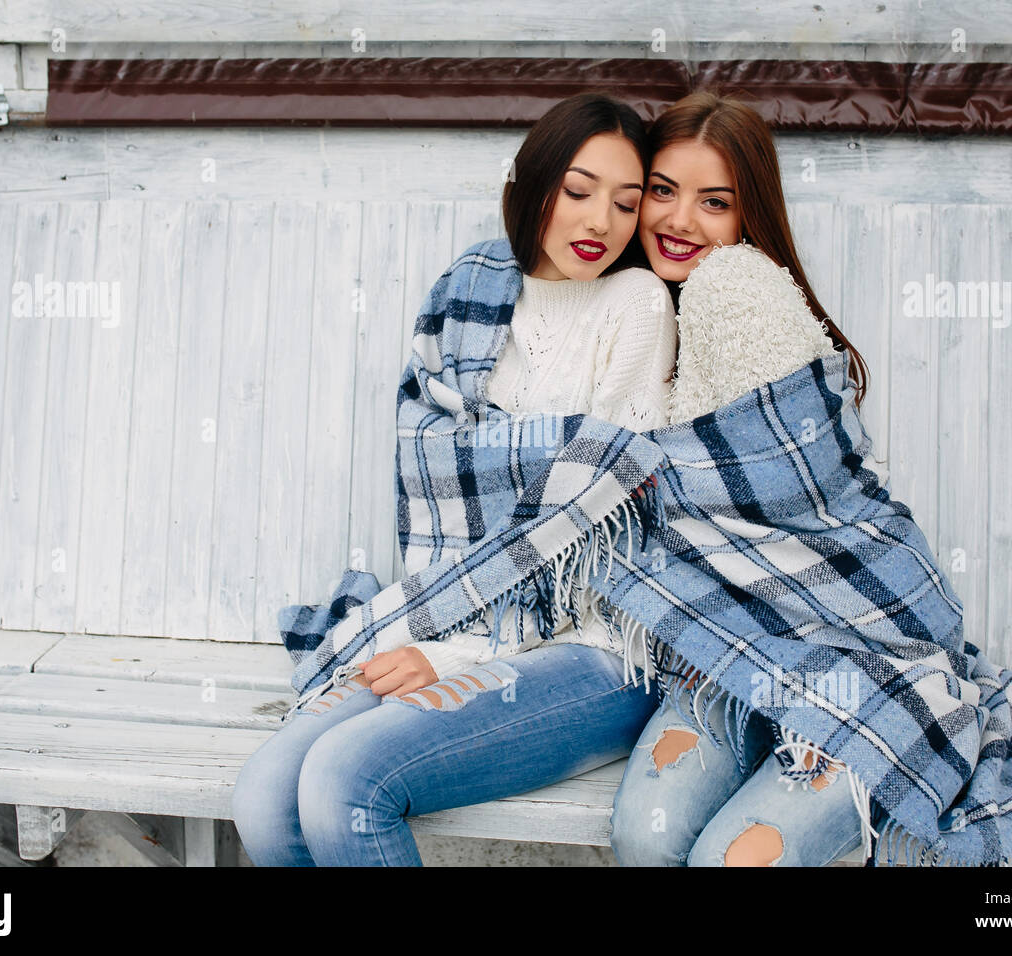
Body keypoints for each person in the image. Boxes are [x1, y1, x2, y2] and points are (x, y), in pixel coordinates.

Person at [231, 93, 677, 866]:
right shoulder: (469, 292)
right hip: (448, 615)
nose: (600, 222)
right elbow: (432, 478)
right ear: (533, 184)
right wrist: (442, 637)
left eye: (626, 203)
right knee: (267, 799)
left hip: (602, 650)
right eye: (578, 191)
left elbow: (613, 536)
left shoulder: (634, 305)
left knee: (343, 779)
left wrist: (450, 658)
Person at [608, 91, 874, 867]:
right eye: (662, 191)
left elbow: (776, 502)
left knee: (737, 861)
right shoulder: (656, 308)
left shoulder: (734, 289)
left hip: (843, 642)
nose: (679, 220)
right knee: (643, 834)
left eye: (713, 201)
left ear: (749, 214)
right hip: (724, 651)